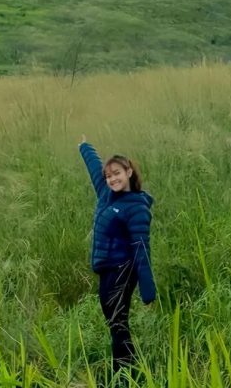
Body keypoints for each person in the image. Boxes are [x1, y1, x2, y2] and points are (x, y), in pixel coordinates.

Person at [79, 135, 156, 373]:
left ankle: (122, 376)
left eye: (117, 173)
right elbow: (94, 169)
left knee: (117, 324)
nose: (112, 179)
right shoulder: (106, 194)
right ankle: (131, 371)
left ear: (129, 172)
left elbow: (142, 248)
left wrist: (147, 290)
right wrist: (84, 147)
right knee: (115, 323)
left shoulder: (136, 208)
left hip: (123, 271)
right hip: (107, 271)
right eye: (109, 175)